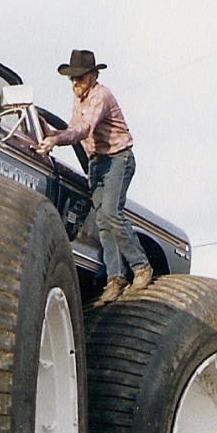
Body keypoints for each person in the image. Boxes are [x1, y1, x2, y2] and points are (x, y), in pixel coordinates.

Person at [35, 49, 152, 303]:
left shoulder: (101, 96)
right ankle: (115, 278)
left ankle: (141, 267)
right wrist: (53, 133)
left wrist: (56, 138)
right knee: (102, 221)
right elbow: (74, 128)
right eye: (72, 78)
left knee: (111, 213)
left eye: (80, 77)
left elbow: (83, 130)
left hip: (118, 158)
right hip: (97, 162)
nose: (75, 82)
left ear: (93, 75)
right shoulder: (80, 99)